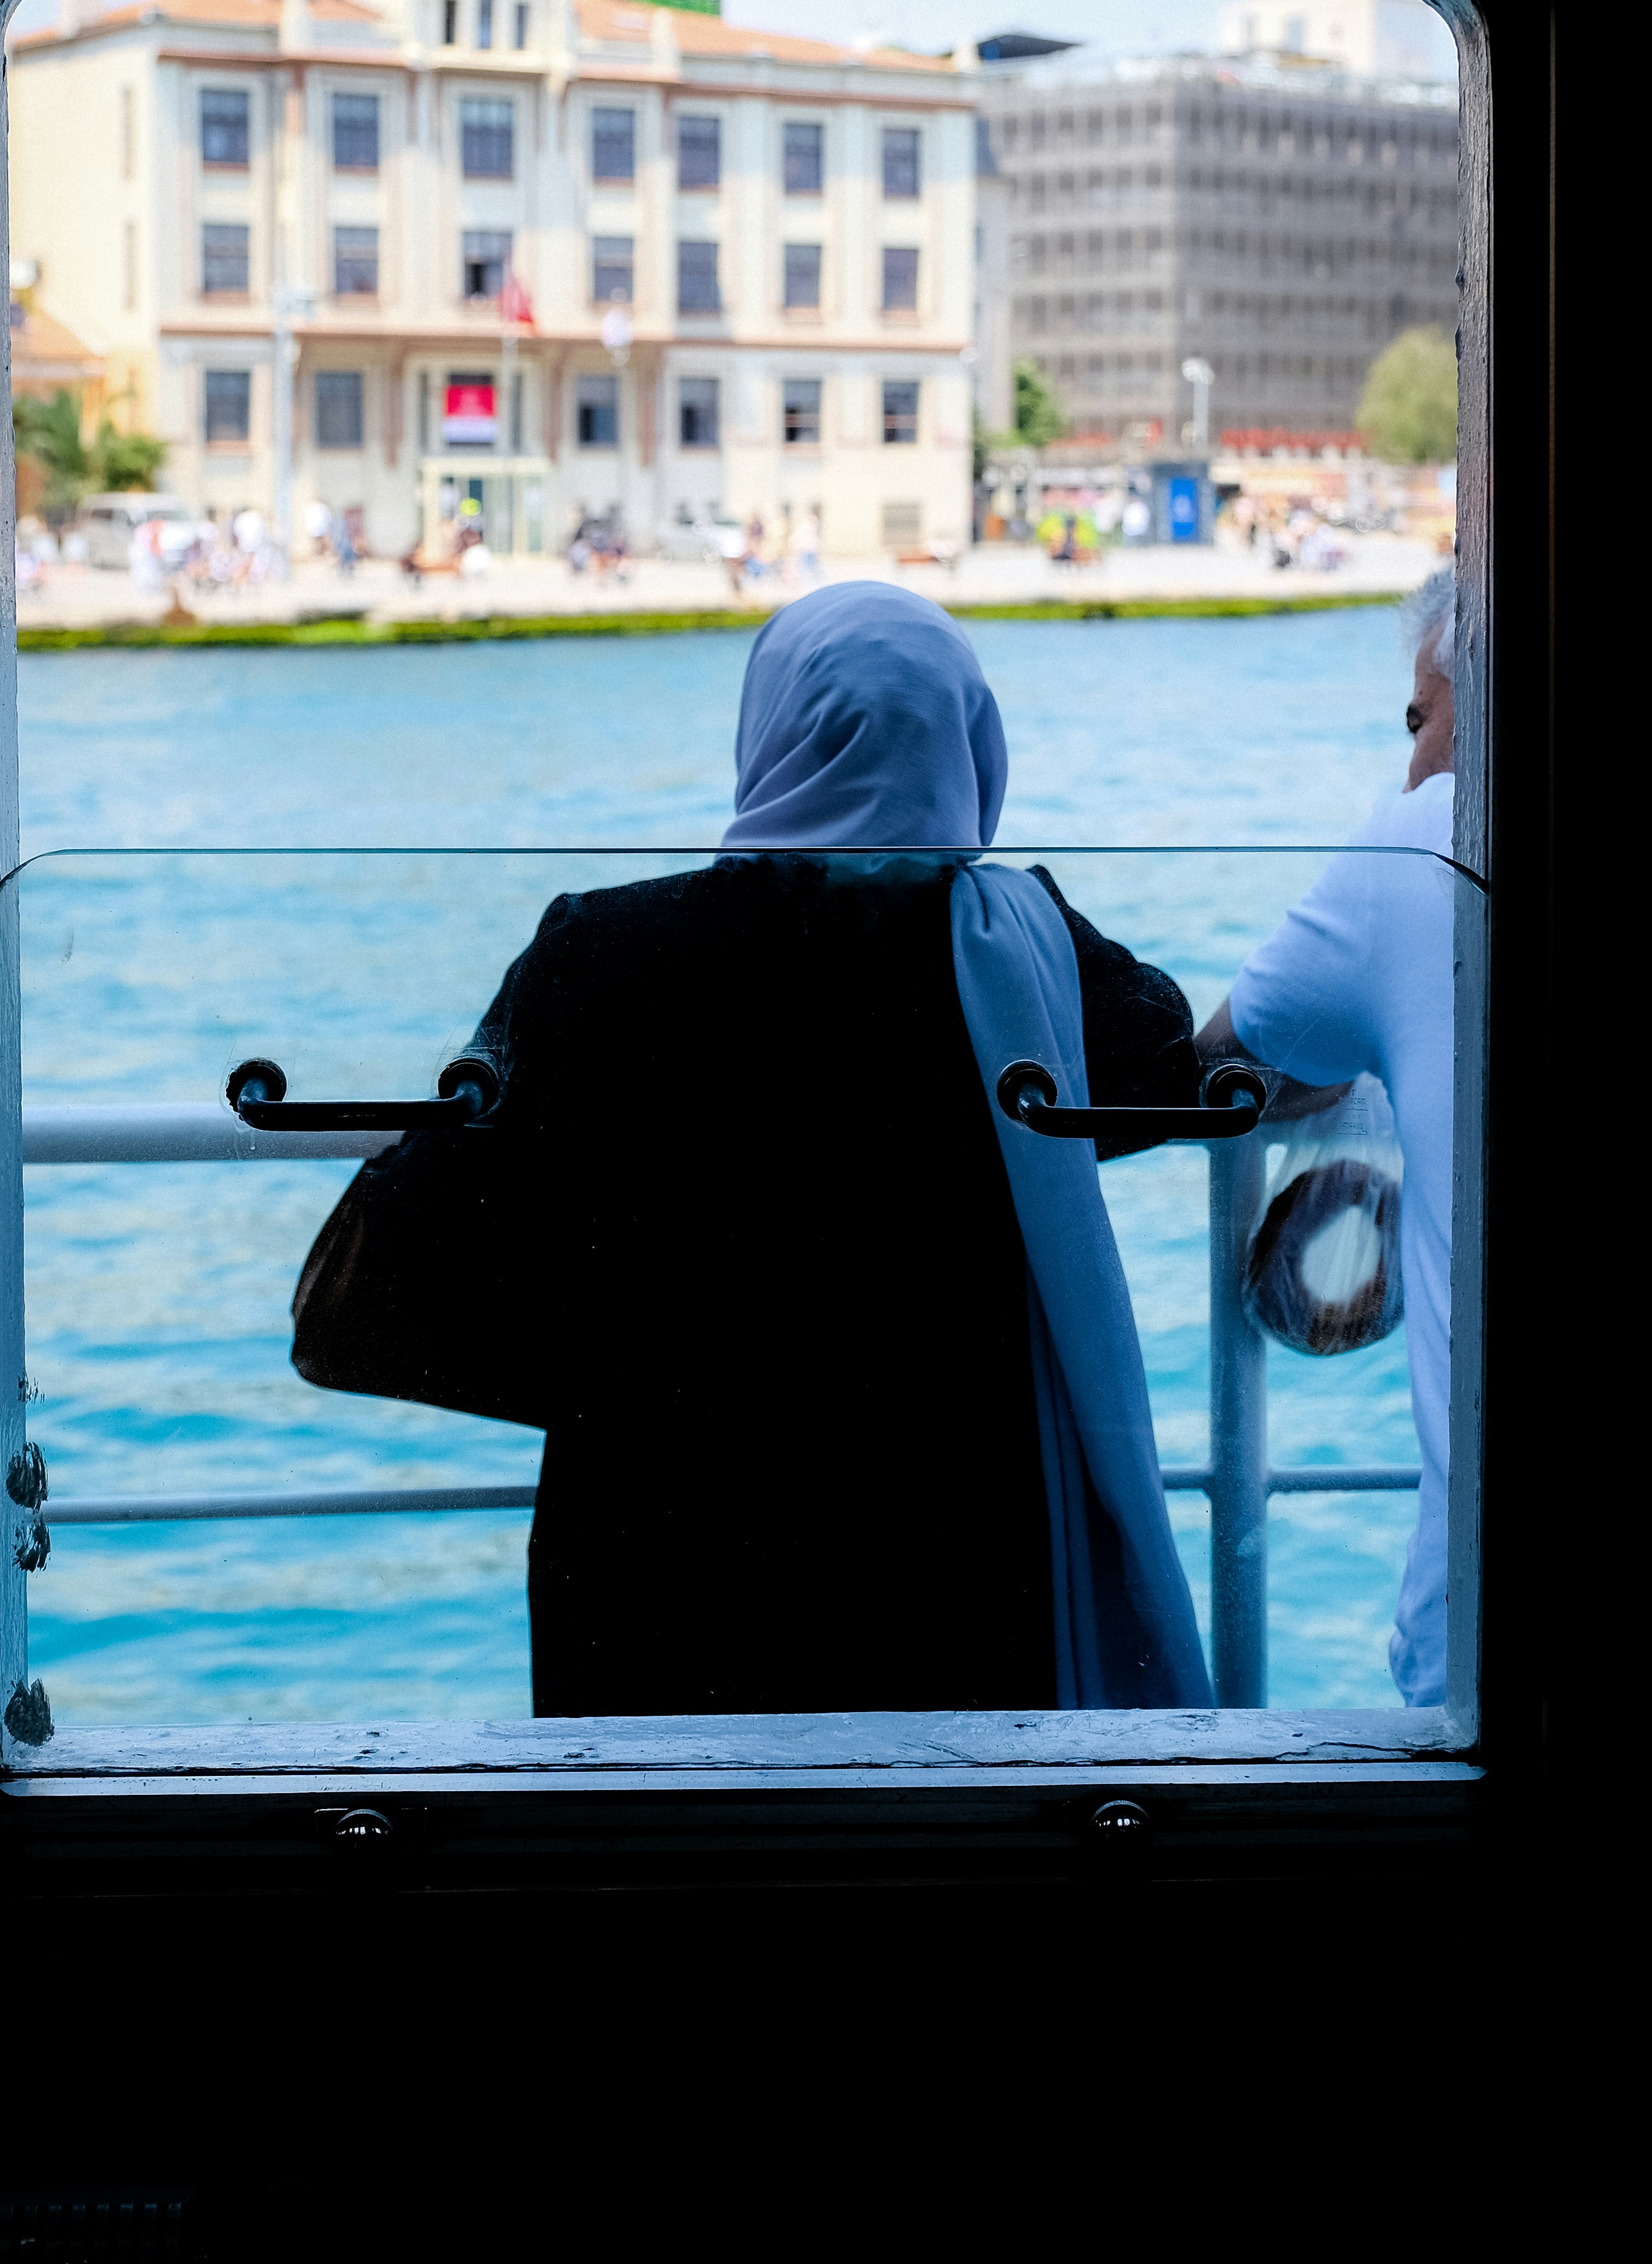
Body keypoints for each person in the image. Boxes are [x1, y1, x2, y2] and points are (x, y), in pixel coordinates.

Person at [291, 582, 1212, 1719]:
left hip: (663, 1579)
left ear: (766, 735)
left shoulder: (610, 950)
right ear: (973, 749)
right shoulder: (1028, 960)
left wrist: (633, 1378)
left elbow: (370, 1294)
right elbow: (1180, 1067)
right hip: (957, 1575)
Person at [1193, 567, 1457, 1706]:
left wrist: (1372, 1055)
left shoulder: (1430, 832)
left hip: (1489, 1643)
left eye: (1419, 719)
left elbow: (1229, 1058)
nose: (1410, 761)